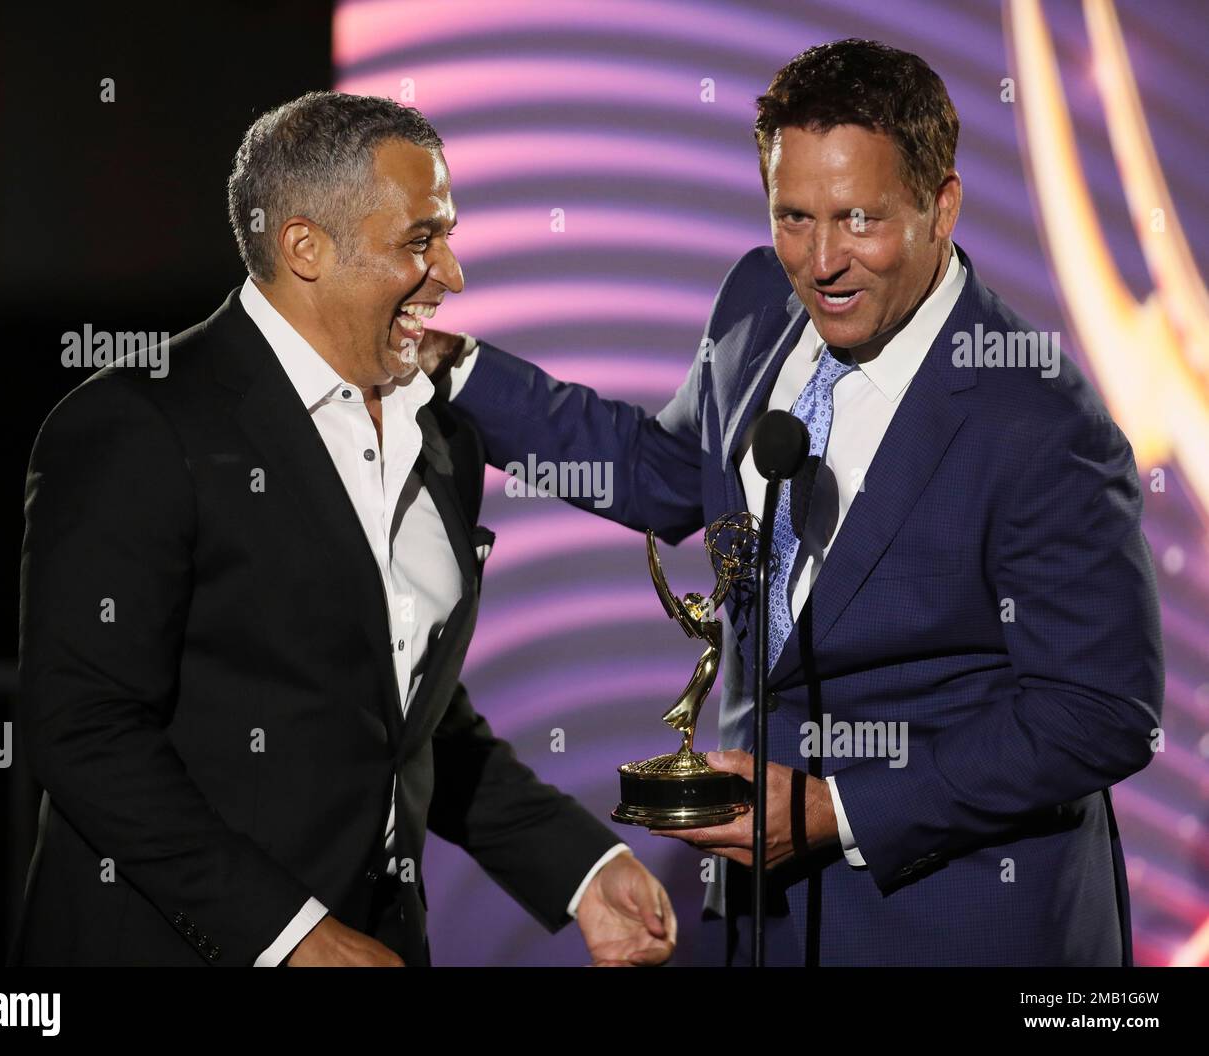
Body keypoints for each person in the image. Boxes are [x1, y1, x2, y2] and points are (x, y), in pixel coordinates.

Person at [422, 39, 1164, 966]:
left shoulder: (1039, 419)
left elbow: (1096, 713)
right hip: (765, 925)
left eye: (859, 220)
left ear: (944, 205)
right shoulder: (756, 302)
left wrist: (831, 813)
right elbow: (662, 473)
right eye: (793, 217)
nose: (821, 262)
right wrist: (454, 371)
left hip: (956, 928)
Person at [11, 91, 676, 967]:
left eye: (447, 235)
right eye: (419, 240)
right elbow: (85, 732)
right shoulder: (139, 423)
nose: (452, 274)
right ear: (304, 247)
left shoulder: (441, 432)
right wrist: (294, 938)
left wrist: (580, 868)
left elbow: (406, 724)